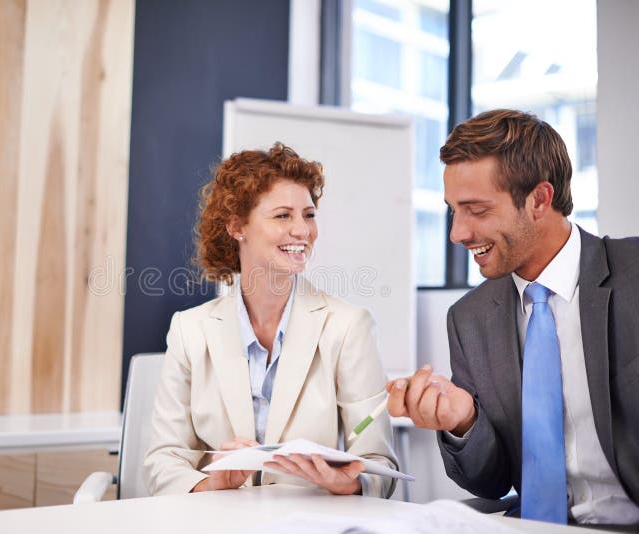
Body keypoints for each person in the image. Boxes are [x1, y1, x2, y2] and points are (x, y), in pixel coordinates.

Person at [387, 109, 639, 528]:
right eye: (453, 210)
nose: (457, 233)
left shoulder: (634, 277)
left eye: (477, 211)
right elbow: (491, 480)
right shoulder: (470, 318)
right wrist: (463, 421)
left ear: (539, 199)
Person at [143, 143, 398, 497]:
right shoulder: (190, 329)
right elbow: (162, 460)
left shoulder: (348, 326)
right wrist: (213, 482)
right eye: (283, 216)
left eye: (309, 215)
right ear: (237, 226)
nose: (302, 231)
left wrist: (352, 483)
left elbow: (379, 462)